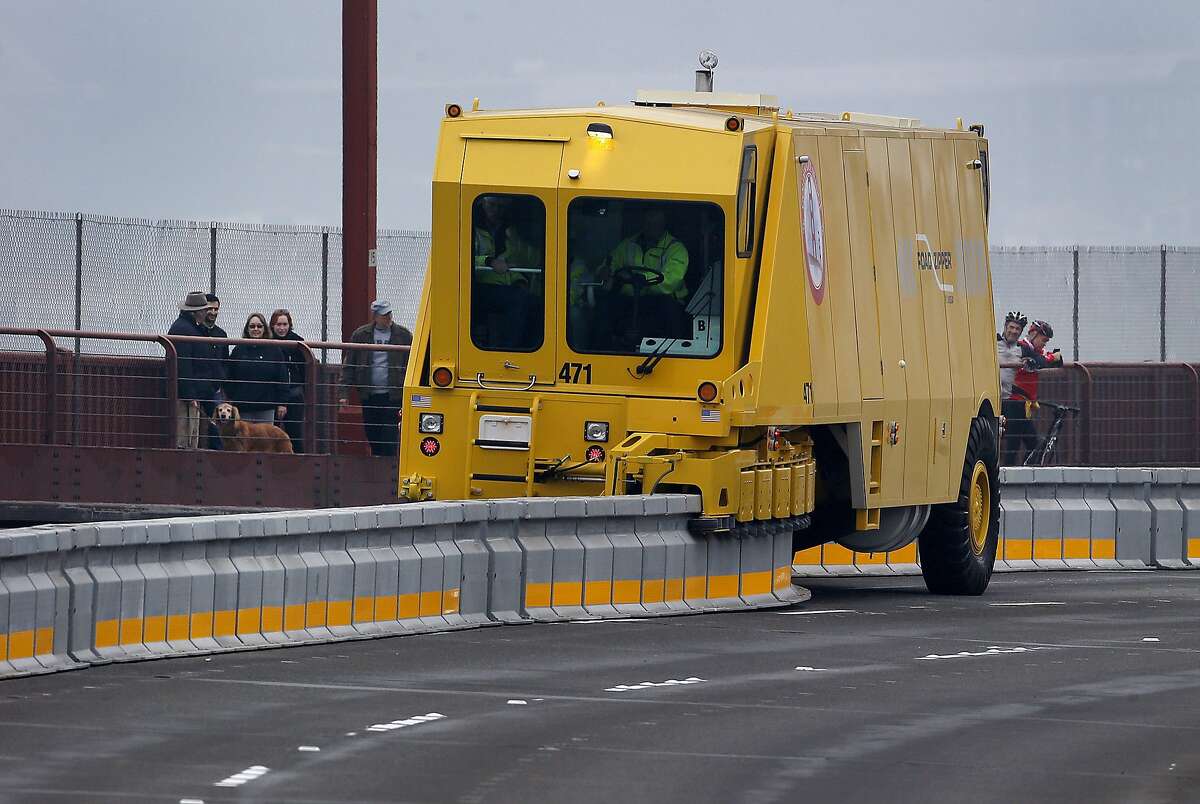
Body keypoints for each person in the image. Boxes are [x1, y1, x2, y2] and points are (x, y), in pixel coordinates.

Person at [603, 208, 690, 340]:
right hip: (630, 300)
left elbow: (672, 279)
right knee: (605, 309)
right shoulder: (629, 244)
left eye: (656, 224)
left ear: (664, 225)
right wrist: (604, 271)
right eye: (648, 224)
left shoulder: (676, 248)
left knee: (667, 314)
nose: (651, 228)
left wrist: (641, 279)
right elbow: (611, 262)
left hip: (663, 302)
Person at [340, 300, 412, 457]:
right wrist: (343, 393)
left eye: (389, 314)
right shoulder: (361, 335)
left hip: (393, 394)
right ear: (376, 316)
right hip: (369, 394)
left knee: (389, 432)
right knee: (372, 430)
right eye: (384, 315)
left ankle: (388, 465)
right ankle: (378, 461)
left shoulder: (404, 335)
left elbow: (413, 362)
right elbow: (349, 364)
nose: (388, 318)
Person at [472, 195, 542, 348]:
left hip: (503, 285)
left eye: (500, 207)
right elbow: (460, 260)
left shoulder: (510, 232)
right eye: (492, 205)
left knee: (536, 304)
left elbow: (512, 263)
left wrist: (519, 280)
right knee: (518, 300)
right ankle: (509, 349)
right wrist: (488, 261)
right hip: (474, 286)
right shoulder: (469, 225)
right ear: (482, 203)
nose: (495, 210)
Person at [167, 291, 225, 449]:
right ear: (197, 312)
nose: (208, 313)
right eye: (205, 310)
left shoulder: (187, 328)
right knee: (186, 434)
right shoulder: (184, 330)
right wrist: (190, 394)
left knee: (191, 433)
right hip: (188, 395)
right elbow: (184, 365)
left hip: (192, 391)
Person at [1004, 318, 1065, 464]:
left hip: (1021, 404)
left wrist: (1049, 357)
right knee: (1015, 445)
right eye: (1043, 340)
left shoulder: (1033, 350)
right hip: (1013, 403)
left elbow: (1054, 360)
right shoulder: (1021, 347)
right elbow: (1041, 361)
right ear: (1033, 334)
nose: (1044, 344)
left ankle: (1021, 472)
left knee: (1030, 444)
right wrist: (1050, 357)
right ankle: (1009, 479)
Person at [226, 313, 289, 430]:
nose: (256, 329)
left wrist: (282, 403)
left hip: (266, 407)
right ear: (247, 329)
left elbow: (282, 378)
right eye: (252, 326)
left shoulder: (274, 350)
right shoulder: (239, 350)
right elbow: (229, 375)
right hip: (243, 407)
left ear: (265, 329)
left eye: (259, 326)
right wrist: (230, 397)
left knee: (264, 442)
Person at [270, 308, 306, 453]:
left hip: (294, 393)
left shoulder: (299, 343)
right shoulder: (268, 342)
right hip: (272, 394)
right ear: (272, 325)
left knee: (295, 432)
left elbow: (305, 370)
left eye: (285, 324)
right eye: (278, 324)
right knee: (271, 432)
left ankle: (298, 464)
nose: (282, 328)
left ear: (290, 325)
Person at [200, 293, 230, 450]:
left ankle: (217, 453)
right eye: (209, 308)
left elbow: (225, 360)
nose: (212, 312)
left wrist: (221, 378)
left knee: (217, 423)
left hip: (215, 388)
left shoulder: (221, 334)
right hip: (198, 386)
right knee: (196, 423)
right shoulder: (195, 331)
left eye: (216, 309)